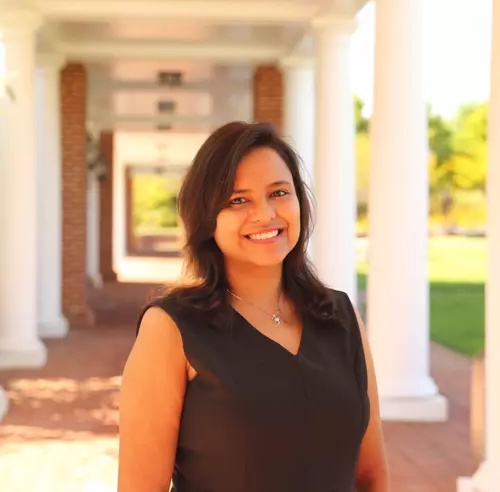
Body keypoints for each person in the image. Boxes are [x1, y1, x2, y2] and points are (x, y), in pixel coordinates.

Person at [118, 121, 389, 492]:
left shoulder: (341, 317)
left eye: (279, 193)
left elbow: (371, 476)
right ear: (207, 217)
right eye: (238, 200)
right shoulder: (172, 329)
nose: (265, 215)